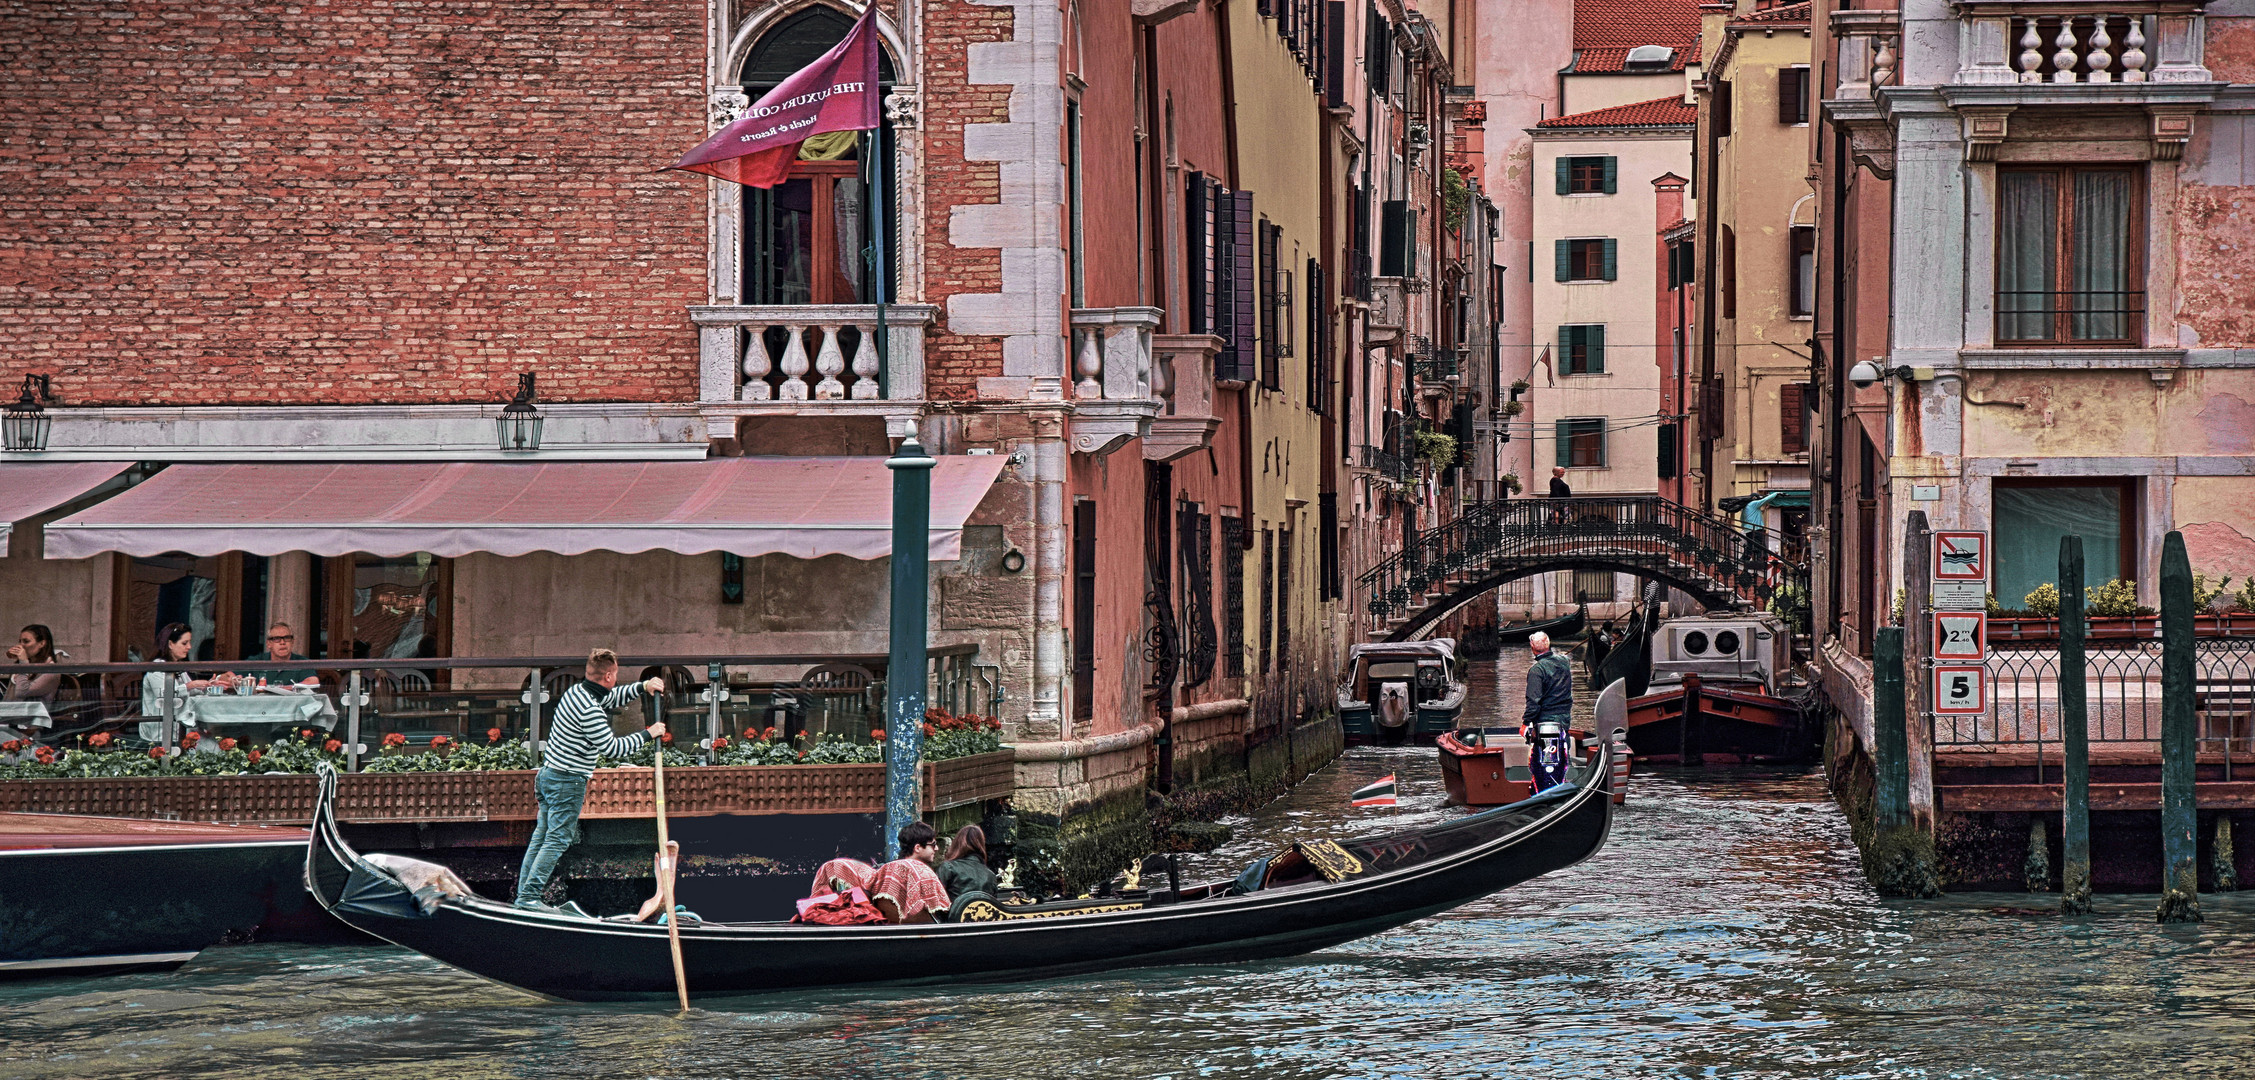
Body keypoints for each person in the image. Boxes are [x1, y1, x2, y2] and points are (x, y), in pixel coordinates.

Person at [514, 648, 666, 912]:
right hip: (567, 781)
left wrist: (643, 686)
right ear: (608, 676)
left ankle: (522, 897)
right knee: (557, 840)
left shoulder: (577, 692)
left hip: (548, 776)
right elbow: (613, 749)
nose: (616, 680)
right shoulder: (590, 710)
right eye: (615, 675)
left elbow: (611, 697)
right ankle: (529, 898)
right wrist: (648, 733)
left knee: (542, 837)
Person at [141, 623, 234, 717]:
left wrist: (208, 686)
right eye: (184, 643)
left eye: (189, 642)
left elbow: (192, 692)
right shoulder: (157, 667)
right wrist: (191, 685)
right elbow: (165, 697)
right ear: (170, 644)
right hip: (159, 724)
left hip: (179, 721)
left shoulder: (178, 666)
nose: (189, 647)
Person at [868, 822, 951, 924]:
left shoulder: (888, 869)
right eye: (933, 844)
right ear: (917, 848)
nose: (937, 848)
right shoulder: (922, 871)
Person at [1523, 631, 1575, 792]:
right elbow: (1562, 659)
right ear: (1548, 644)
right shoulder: (1564, 662)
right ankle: (1562, 781)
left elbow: (1533, 702)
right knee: (1562, 750)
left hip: (1545, 720)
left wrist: (1525, 723)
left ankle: (1544, 788)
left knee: (1545, 760)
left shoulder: (1536, 670)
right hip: (1563, 718)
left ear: (1532, 647)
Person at [246, 622, 319, 687]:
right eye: (277, 639)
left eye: (287, 638)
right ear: (269, 644)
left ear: (292, 642)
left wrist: (281, 689)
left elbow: (313, 681)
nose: (282, 642)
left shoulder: (302, 662)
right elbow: (238, 676)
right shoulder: (257, 661)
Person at [935, 825, 998, 899]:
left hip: (954, 906)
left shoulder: (948, 868)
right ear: (982, 845)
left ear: (957, 843)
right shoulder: (990, 876)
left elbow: (935, 898)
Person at [4, 625, 61, 704]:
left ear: (42, 643)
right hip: (11, 709)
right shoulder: (28, 663)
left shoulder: (51, 670)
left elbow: (21, 692)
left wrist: (23, 662)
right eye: (20, 641)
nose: (21, 646)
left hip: (33, 711)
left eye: (26, 641)